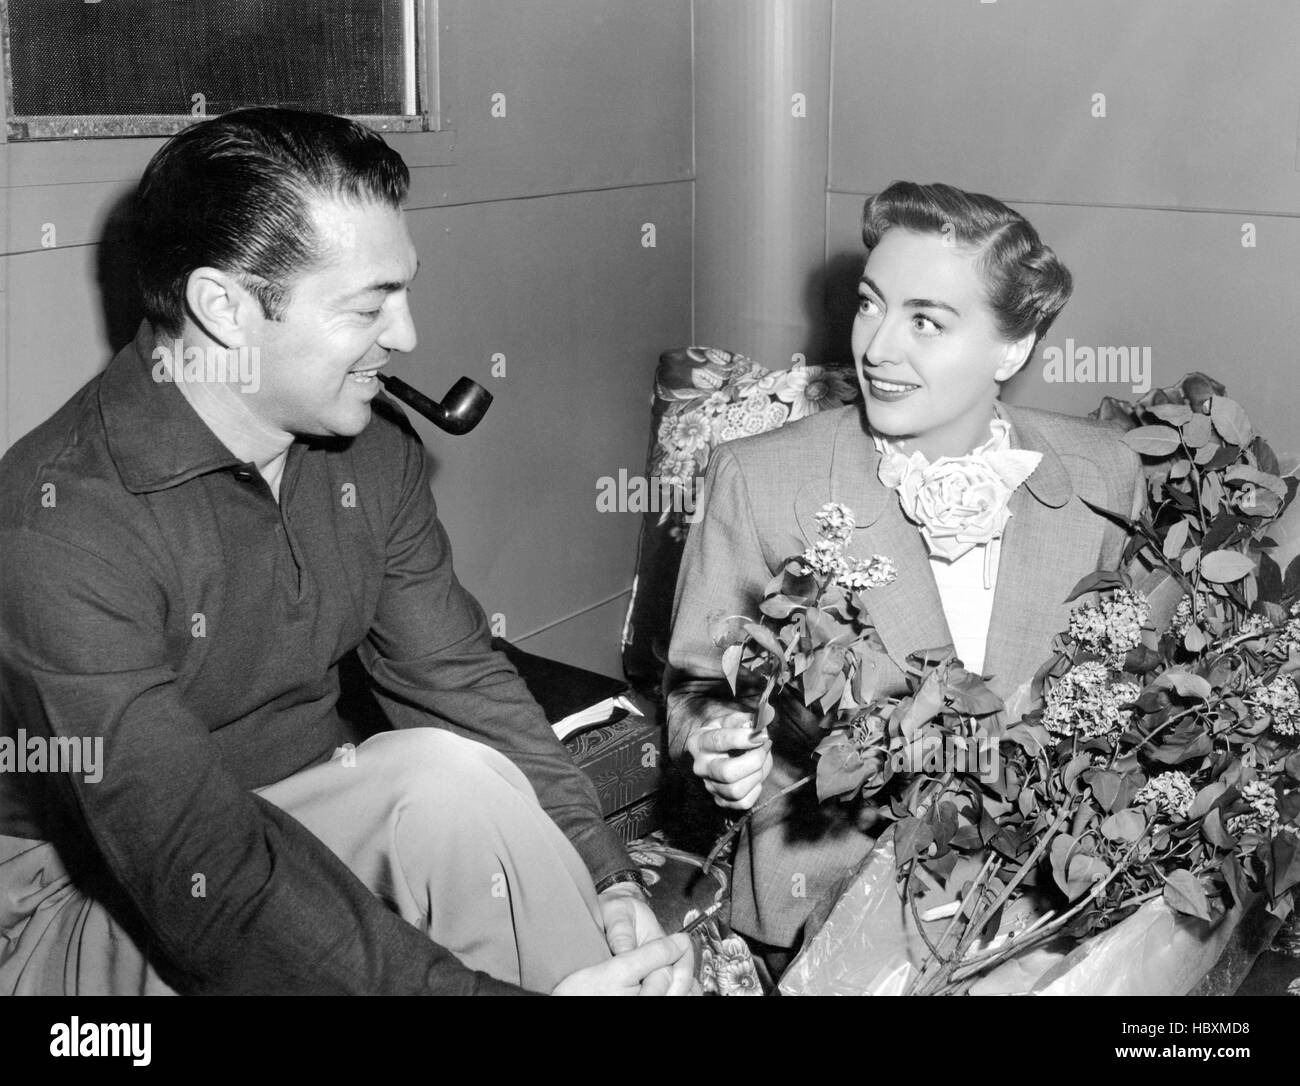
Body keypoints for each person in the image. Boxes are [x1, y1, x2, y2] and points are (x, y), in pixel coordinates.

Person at [0, 107, 694, 996]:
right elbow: (207, 877)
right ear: (224, 308)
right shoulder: (58, 528)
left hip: (292, 838)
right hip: (86, 909)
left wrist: (606, 878)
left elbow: (460, 680)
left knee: (446, 783)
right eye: (370, 304)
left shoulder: (368, 445)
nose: (406, 334)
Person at [664, 181, 1145, 970]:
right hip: (823, 910)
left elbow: (1124, 700)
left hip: (1037, 907)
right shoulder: (760, 480)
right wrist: (718, 740)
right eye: (868, 304)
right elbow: (695, 684)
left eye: (925, 320)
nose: (877, 348)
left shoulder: (1106, 476)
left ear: (1012, 348)